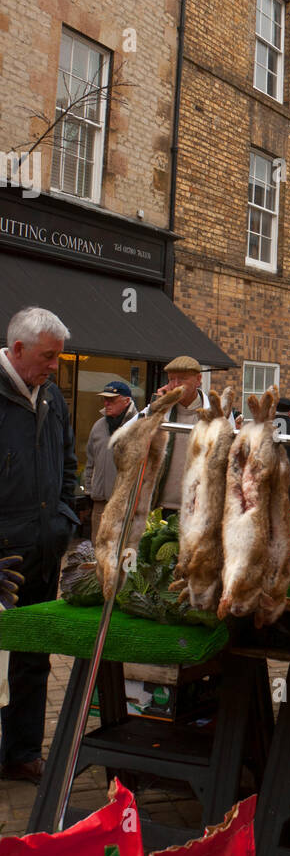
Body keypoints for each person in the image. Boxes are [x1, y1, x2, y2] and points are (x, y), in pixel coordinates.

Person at [0, 306, 78, 784]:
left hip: (43, 551)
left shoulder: (51, 396)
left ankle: (23, 753)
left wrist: (65, 517)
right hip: (1, 559)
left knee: (33, 660)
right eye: (48, 357)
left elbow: (68, 461)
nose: (54, 367)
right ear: (18, 349)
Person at [147, 356, 207, 514]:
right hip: (161, 507)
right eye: (171, 379)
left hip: (199, 509)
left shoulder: (215, 411)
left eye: (182, 379)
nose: (175, 385)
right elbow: (133, 432)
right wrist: (157, 406)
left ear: (198, 379)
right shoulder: (162, 407)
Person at [84, 381, 137, 538]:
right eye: (104, 399)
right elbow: (90, 462)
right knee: (98, 548)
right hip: (100, 503)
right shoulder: (98, 426)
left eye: (112, 399)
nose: (106, 403)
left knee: (122, 550)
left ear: (127, 401)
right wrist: (89, 491)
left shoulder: (138, 426)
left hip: (126, 505)